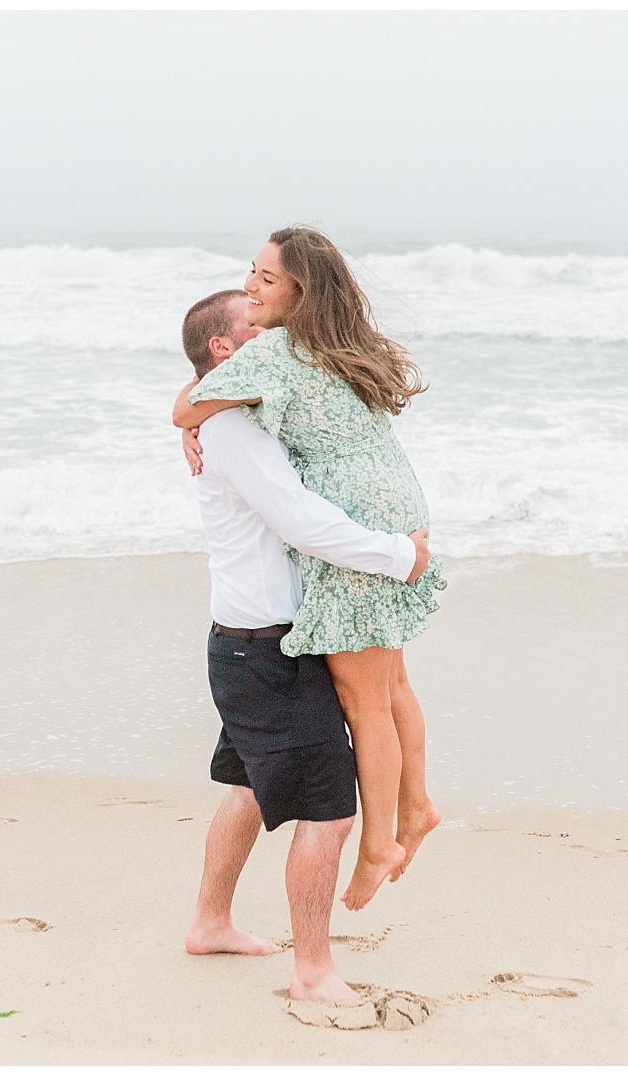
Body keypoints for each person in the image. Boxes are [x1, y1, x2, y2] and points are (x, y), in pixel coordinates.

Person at [173, 226, 446, 913]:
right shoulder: (341, 339)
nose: (252, 287)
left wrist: (189, 424)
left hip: (357, 525)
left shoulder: (272, 357)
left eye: (266, 279)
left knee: (364, 702)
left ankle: (380, 842)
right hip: (394, 499)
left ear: (301, 291)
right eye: (252, 274)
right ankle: (413, 806)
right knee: (394, 682)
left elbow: (187, 403)